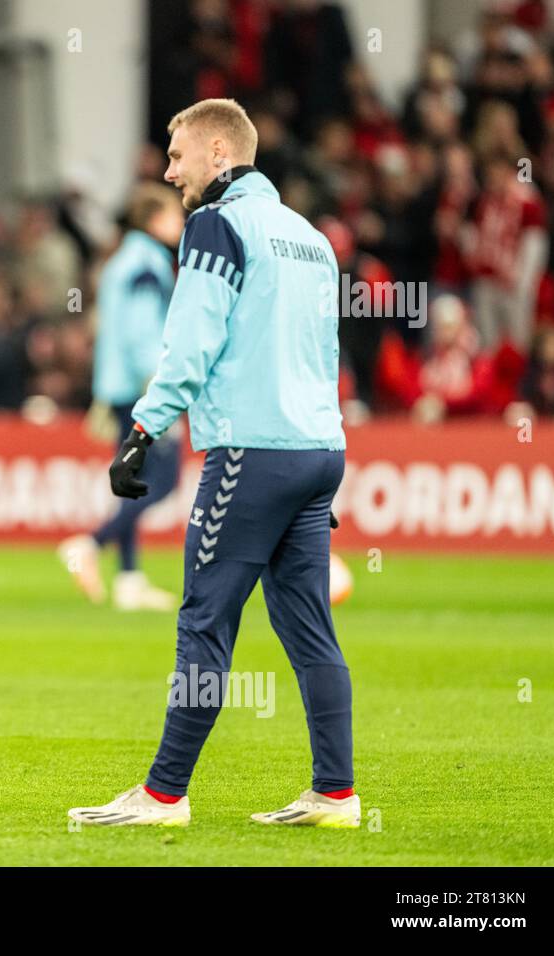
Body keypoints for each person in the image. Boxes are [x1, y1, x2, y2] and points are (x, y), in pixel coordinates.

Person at [68, 99, 357, 828]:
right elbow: (326, 355)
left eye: (176, 155)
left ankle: (164, 795)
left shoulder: (215, 225)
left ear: (219, 151)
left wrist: (143, 427)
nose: (169, 172)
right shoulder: (310, 237)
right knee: (311, 630)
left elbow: (191, 341)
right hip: (319, 450)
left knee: (203, 622)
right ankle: (337, 795)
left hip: (251, 452)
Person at [57, 183, 185, 611]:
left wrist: (101, 390)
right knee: (165, 478)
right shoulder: (145, 264)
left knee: (129, 483)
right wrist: (157, 381)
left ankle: (129, 578)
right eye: (172, 214)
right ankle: (91, 544)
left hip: (117, 387)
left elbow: (110, 329)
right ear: (153, 220)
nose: (180, 221)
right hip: (140, 388)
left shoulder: (119, 262)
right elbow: (139, 331)